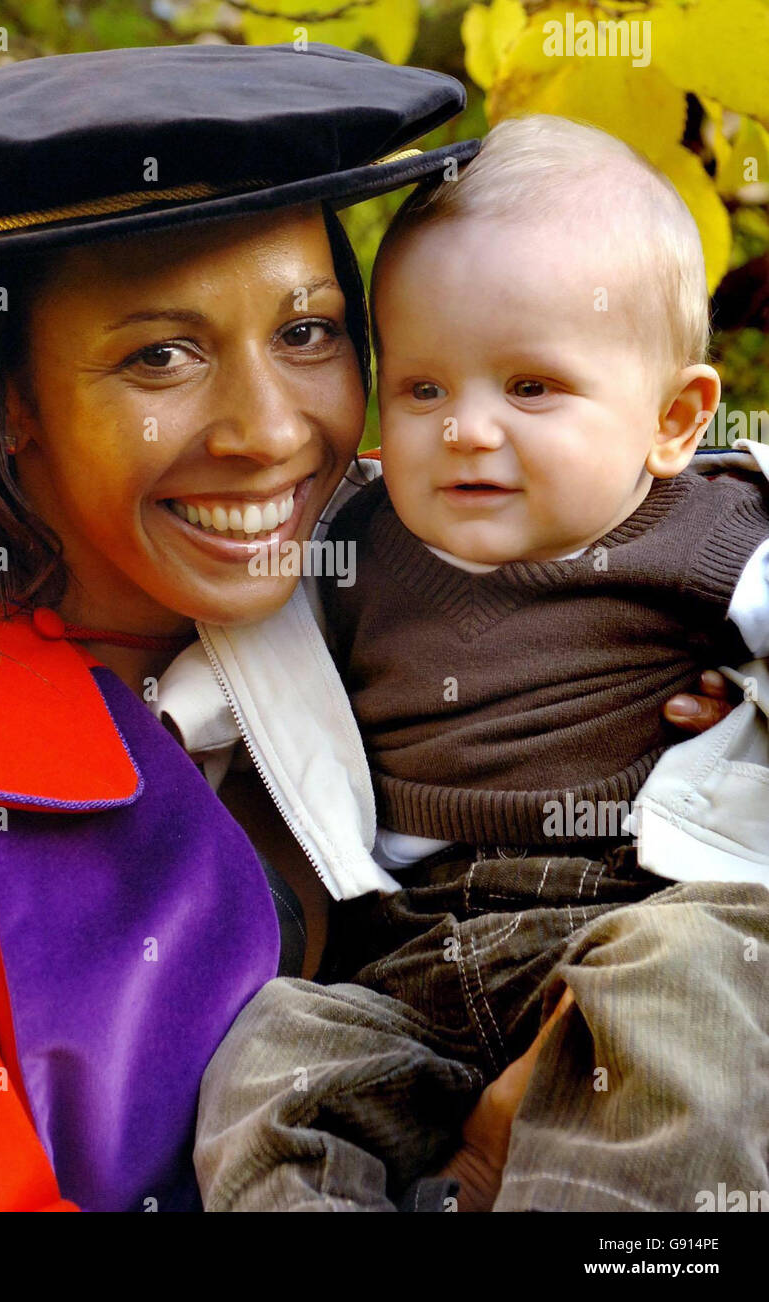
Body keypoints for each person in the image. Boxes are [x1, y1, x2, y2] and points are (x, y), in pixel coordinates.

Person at [0, 41, 486, 1212]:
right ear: (6, 404)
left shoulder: (443, 583)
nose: (267, 431)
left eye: (306, 333)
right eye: (161, 356)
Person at [191, 116, 769, 1213]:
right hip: (406, 947)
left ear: (673, 418)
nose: (464, 429)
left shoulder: (707, 531)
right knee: (274, 1048)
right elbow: (241, 670)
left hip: (635, 907)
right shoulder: (353, 538)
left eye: (531, 388)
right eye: (422, 390)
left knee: (690, 1002)